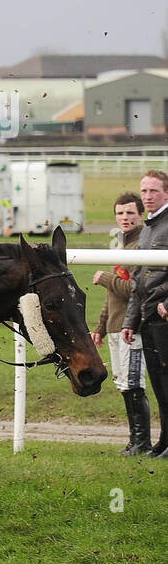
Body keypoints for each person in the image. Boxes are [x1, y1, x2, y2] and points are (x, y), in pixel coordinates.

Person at [92, 193, 149, 455]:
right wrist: (100, 327)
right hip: (115, 328)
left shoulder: (141, 248)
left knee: (133, 384)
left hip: (132, 329)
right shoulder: (121, 246)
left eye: (130, 213)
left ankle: (142, 442)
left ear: (141, 215)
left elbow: (135, 290)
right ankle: (134, 441)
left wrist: (105, 278)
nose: (124, 218)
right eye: (120, 213)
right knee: (123, 384)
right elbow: (112, 295)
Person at [122, 170, 168, 458]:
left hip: (164, 315)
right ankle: (164, 441)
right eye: (144, 191)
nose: (147, 197)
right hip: (148, 316)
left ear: (166, 193)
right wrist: (130, 321)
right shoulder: (149, 227)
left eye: (154, 191)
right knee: (159, 384)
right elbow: (137, 278)